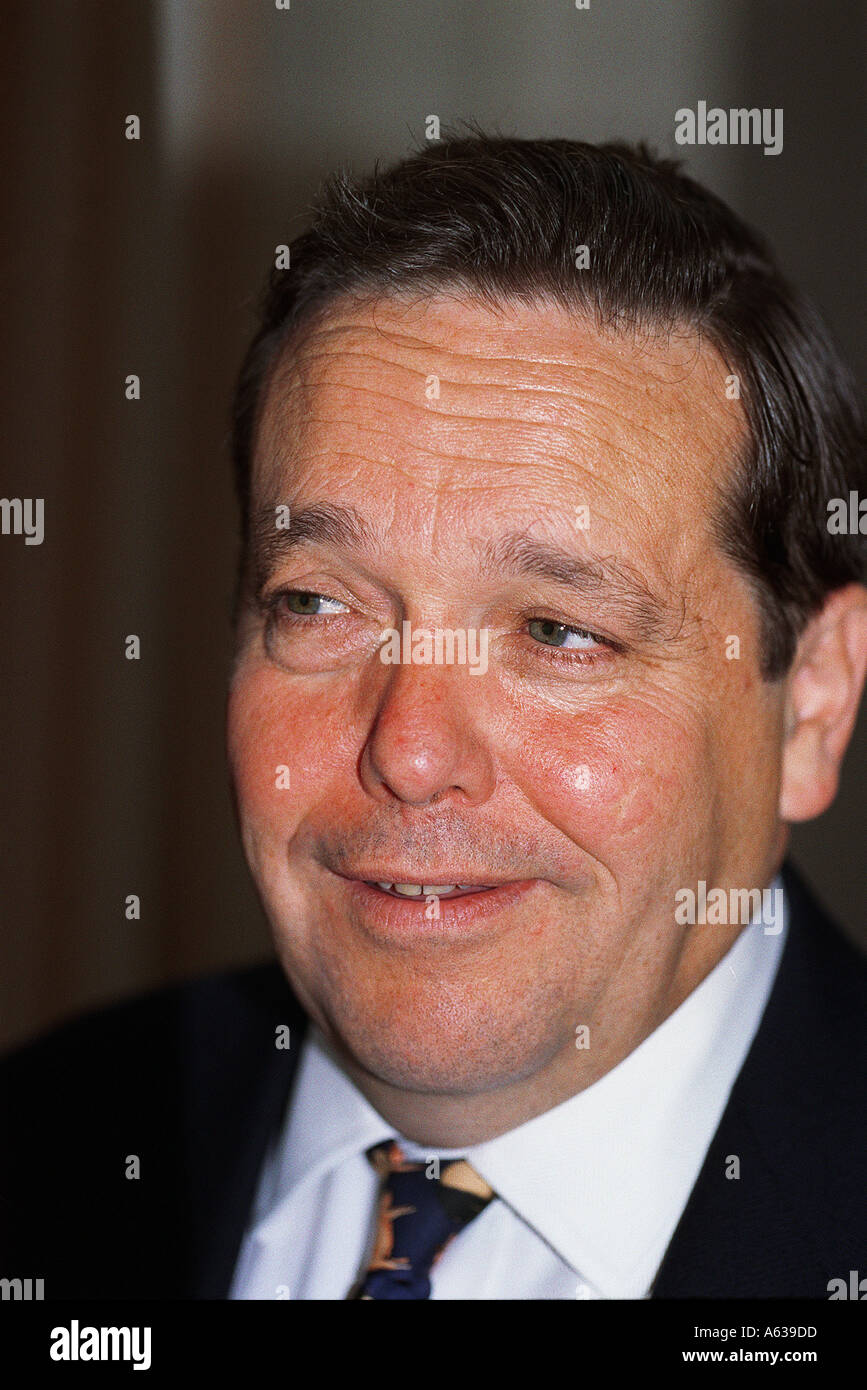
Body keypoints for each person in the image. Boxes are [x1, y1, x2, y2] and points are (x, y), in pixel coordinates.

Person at [2, 133, 866, 1300]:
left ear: (811, 701)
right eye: (317, 604)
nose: (409, 750)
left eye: (559, 632)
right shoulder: (50, 1135)